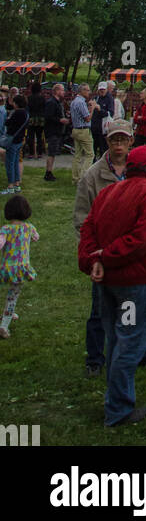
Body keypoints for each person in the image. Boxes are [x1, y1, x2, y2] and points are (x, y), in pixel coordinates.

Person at [78, 144, 146, 427]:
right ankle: (118, 408)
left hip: (108, 280)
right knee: (129, 342)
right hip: (133, 283)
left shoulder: (108, 193)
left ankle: (115, 400)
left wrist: (94, 259)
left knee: (116, 339)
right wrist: (103, 256)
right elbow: (143, 240)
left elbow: (88, 229)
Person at [74, 120, 146, 377]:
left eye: (123, 140)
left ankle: (140, 352)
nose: (118, 145)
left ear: (130, 142)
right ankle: (96, 358)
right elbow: (83, 219)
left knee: (132, 312)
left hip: (132, 257)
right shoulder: (94, 175)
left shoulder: (140, 171)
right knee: (100, 311)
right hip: (104, 258)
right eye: (114, 139)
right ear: (107, 141)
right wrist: (95, 257)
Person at [0, 193, 39, 339]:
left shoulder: (6, 229)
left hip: (5, 268)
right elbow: (36, 237)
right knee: (13, 296)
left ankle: (6, 315)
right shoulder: (29, 228)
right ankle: (4, 324)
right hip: (20, 269)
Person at [1, 95, 28, 195]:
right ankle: (17, 184)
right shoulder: (26, 113)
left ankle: (10, 186)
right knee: (16, 162)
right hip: (20, 140)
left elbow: (7, 123)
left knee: (10, 164)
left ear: (16, 103)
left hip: (12, 141)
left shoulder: (16, 113)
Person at [43, 83, 69, 182]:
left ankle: (49, 171)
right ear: (57, 91)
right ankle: (48, 172)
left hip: (58, 131)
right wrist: (60, 120)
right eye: (62, 90)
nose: (64, 92)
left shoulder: (59, 103)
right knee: (51, 152)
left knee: (53, 152)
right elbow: (48, 116)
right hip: (52, 131)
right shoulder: (51, 102)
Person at [70, 84, 94, 183]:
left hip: (75, 129)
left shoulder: (74, 101)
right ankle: (83, 177)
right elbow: (87, 118)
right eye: (87, 90)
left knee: (77, 155)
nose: (89, 92)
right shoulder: (81, 102)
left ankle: (75, 177)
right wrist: (92, 108)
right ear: (82, 91)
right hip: (83, 130)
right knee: (90, 154)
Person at [91, 83, 115, 159]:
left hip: (103, 129)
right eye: (100, 90)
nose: (102, 91)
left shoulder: (109, 98)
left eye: (103, 90)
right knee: (93, 149)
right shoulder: (96, 98)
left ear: (106, 89)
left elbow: (110, 113)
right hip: (94, 128)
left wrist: (100, 109)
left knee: (103, 149)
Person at [25, 81, 46, 160]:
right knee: (39, 136)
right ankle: (39, 153)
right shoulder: (42, 98)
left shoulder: (29, 98)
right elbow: (45, 108)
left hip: (31, 117)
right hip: (40, 118)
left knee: (31, 136)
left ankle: (31, 153)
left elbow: (27, 108)